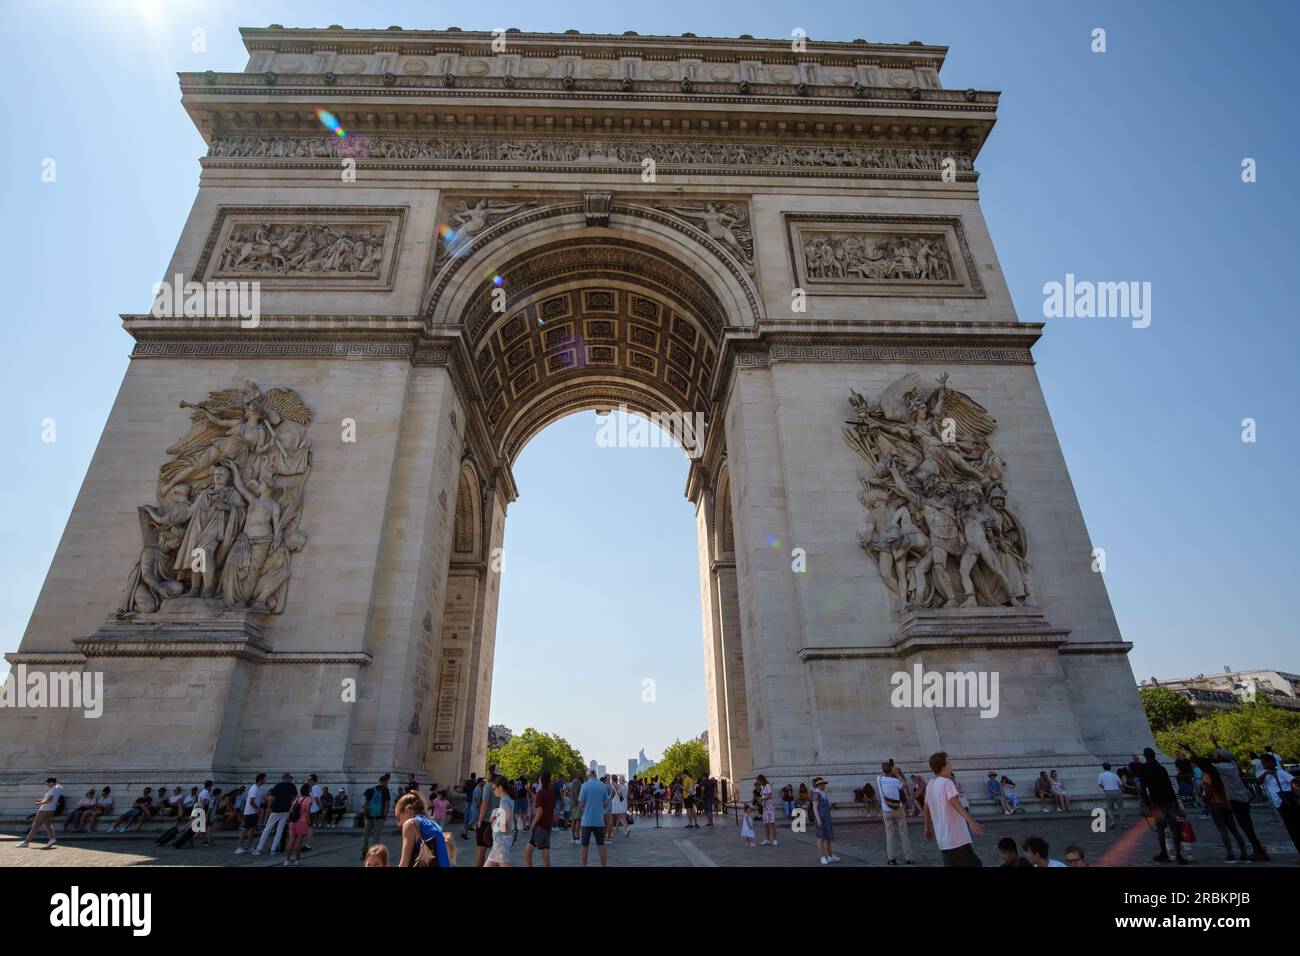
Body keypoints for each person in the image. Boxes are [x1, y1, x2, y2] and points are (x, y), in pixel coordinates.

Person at [922, 752, 984, 866]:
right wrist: (971, 821)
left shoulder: (930, 784)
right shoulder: (947, 783)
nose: (951, 765)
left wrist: (927, 827)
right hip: (956, 837)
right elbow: (954, 802)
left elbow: (926, 808)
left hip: (944, 839)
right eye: (948, 763)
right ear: (944, 766)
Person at [1212, 748, 1268, 861]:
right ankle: (1257, 849)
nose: (1216, 756)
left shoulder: (1223, 767)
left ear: (1221, 758)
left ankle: (1258, 851)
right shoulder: (1232, 764)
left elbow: (1207, 765)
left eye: (1218, 755)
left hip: (1235, 799)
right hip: (1243, 797)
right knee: (1247, 825)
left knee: (1245, 826)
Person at [1136, 748, 1186, 864]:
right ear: (1154, 755)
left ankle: (1164, 853)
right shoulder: (1162, 768)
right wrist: (1177, 804)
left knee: (1160, 829)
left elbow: (1143, 788)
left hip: (1157, 803)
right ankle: (1178, 855)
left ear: (1145, 757)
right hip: (1169, 802)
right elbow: (1170, 786)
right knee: (1175, 829)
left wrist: (1147, 803)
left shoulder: (1144, 769)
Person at [1194, 757, 1248, 862]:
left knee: (1223, 830)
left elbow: (1208, 792)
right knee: (1235, 830)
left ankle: (1230, 854)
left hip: (1215, 804)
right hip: (1226, 803)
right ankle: (1244, 853)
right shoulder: (1220, 775)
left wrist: (1204, 798)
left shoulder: (1206, 776)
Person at [395, 792, 451, 867]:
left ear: (408, 809)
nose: (399, 824)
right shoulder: (433, 823)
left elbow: (404, 863)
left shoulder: (410, 824)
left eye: (398, 818)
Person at [1259, 753, 1300, 855]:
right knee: (1291, 829)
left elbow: (1294, 781)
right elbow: (1258, 782)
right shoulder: (1265, 774)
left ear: (1271, 762)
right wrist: (1265, 774)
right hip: (1279, 804)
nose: (1263, 764)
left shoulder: (1281, 773)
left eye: (1264, 762)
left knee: (1294, 829)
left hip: (1287, 803)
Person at [878, 762, 915, 865]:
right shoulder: (895, 781)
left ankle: (891, 858)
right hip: (898, 809)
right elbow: (905, 785)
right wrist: (897, 774)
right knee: (903, 833)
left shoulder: (879, 779)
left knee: (889, 835)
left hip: (886, 811)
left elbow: (881, 773)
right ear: (891, 770)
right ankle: (908, 857)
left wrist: (887, 770)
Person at [255, 772, 297, 855]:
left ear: (283, 778)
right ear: (288, 778)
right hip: (286, 810)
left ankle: (259, 848)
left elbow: (272, 797)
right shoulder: (292, 785)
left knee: (267, 828)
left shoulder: (278, 785)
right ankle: (274, 849)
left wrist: (269, 807)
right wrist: (291, 806)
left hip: (276, 809)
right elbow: (295, 797)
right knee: (280, 830)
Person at [18, 777, 63, 848]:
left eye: (48, 783)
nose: (47, 785)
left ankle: (26, 842)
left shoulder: (52, 789)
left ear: (51, 783)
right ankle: (52, 839)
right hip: (52, 809)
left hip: (44, 809)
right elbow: (50, 799)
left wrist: (39, 803)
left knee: (35, 825)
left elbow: (49, 800)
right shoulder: (59, 788)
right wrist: (42, 800)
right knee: (47, 824)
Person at [578, 768, 610, 867]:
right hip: (599, 821)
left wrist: (585, 808)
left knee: (584, 846)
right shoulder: (602, 785)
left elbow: (580, 804)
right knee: (601, 845)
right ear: (595, 774)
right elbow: (605, 803)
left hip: (586, 821)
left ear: (588, 775)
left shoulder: (584, 786)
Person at [359, 773, 392, 862]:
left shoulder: (370, 790)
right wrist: (385, 814)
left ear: (378, 781)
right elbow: (387, 804)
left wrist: (365, 814)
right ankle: (374, 855)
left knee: (366, 835)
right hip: (379, 816)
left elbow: (365, 803)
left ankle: (363, 854)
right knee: (376, 836)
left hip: (369, 816)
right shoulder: (385, 790)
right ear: (385, 782)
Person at [525, 771, 555, 867]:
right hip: (548, 825)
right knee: (545, 848)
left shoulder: (540, 793)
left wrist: (533, 824)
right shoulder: (551, 793)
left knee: (527, 853)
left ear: (540, 781)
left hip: (541, 826)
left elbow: (540, 811)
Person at [283, 783, 314, 865]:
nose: (311, 789)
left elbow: (291, 809)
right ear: (308, 790)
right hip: (302, 822)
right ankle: (297, 860)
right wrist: (308, 822)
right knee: (298, 843)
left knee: (291, 841)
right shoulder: (308, 799)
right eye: (310, 788)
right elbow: (308, 811)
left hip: (293, 822)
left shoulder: (298, 798)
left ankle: (287, 860)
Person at [811, 777, 838, 864]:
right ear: (819, 785)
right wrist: (818, 819)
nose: (824, 786)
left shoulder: (822, 794)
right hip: (821, 818)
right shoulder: (816, 794)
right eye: (823, 784)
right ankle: (822, 857)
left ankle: (830, 856)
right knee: (821, 838)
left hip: (826, 818)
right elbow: (814, 808)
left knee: (828, 838)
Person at [1097, 762, 1126, 829]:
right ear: (1110, 767)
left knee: (1110, 808)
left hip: (1108, 792)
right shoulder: (1114, 775)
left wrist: (1104, 788)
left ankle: (1112, 822)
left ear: (1103, 768)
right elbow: (1121, 784)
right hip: (1116, 791)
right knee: (1120, 808)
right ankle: (1122, 823)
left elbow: (1100, 784)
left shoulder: (1101, 775)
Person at [757, 774, 778, 846]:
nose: (758, 782)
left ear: (761, 780)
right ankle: (767, 839)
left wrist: (762, 799)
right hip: (765, 807)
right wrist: (760, 801)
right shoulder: (762, 787)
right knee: (765, 824)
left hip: (770, 807)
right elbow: (763, 795)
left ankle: (775, 839)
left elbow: (770, 795)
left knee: (772, 823)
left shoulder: (768, 786)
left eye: (759, 781)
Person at [460, 773, 478, 839]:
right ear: (474, 777)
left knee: (467, 815)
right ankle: (466, 829)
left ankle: (466, 828)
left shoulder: (467, 783)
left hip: (468, 799)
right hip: (472, 801)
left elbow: (463, 790)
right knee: (471, 816)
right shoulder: (475, 784)